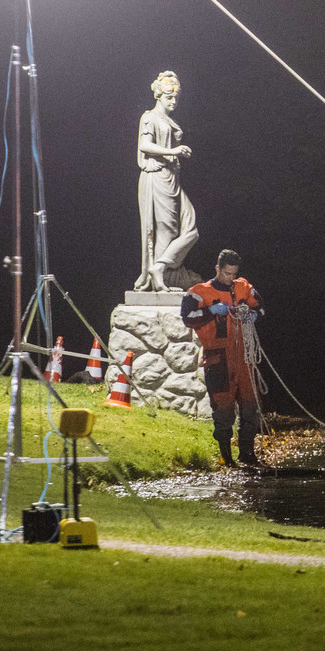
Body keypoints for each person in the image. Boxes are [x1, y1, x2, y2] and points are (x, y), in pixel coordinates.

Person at [182, 249, 264, 465]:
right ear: (217, 269)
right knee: (223, 409)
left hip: (244, 358)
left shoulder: (243, 287)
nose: (231, 278)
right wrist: (211, 310)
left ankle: (247, 454)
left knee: (250, 407)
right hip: (218, 358)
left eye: (234, 274)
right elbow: (188, 318)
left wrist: (253, 314)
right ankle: (226, 457)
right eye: (227, 273)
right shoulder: (199, 293)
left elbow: (261, 307)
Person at [134, 71, 199, 292]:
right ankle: (158, 279)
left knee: (190, 228)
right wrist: (173, 151)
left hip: (172, 177)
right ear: (158, 96)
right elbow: (145, 145)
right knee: (167, 230)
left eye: (176, 98)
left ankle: (160, 267)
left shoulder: (168, 120)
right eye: (169, 97)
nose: (173, 102)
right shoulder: (149, 117)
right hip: (158, 175)